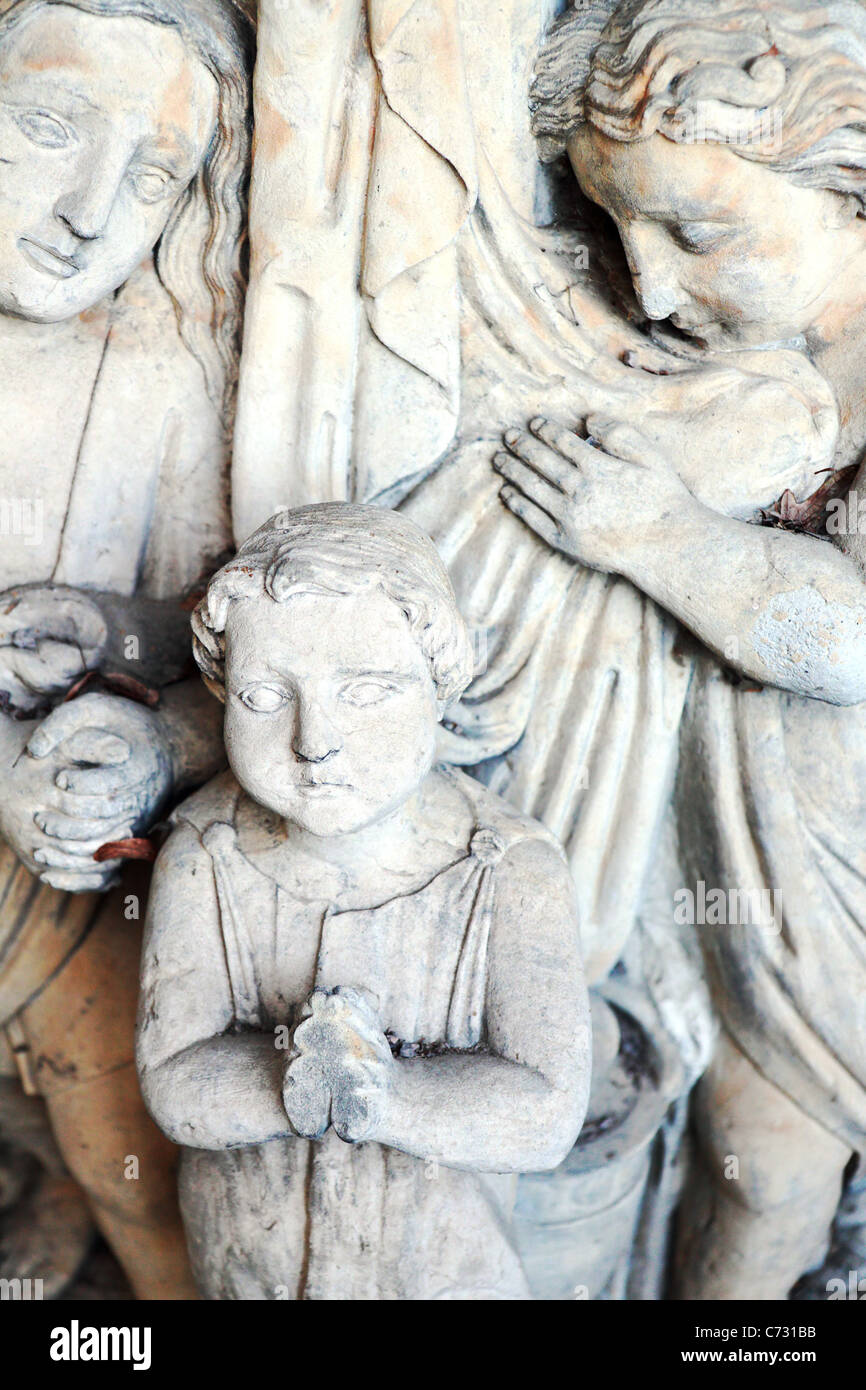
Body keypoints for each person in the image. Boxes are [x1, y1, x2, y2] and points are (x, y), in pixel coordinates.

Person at [495, 0, 866, 1298]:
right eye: (615, 226)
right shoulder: (690, 340)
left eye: (692, 229)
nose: (646, 283)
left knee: (768, 1167)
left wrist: (665, 541)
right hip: (690, 817)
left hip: (828, 852)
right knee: (687, 1128)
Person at [137, 504, 591, 1300]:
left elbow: (546, 1112)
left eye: (367, 691)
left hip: (445, 1275)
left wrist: (380, 1097)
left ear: (439, 684)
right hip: (252, 1269)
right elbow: (174, 1078)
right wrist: (290, 1082)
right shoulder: (204, 856)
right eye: (266, 697)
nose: (316, 739)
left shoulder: (511, 870)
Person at [0, 0, 253, 1298]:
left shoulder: (163, 379)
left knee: (138, 1171)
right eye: (48, 126)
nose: (93, 212)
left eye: (152, 171)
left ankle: (72, 1192)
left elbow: (235, 659)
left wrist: (145, 738)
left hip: (71, 871)